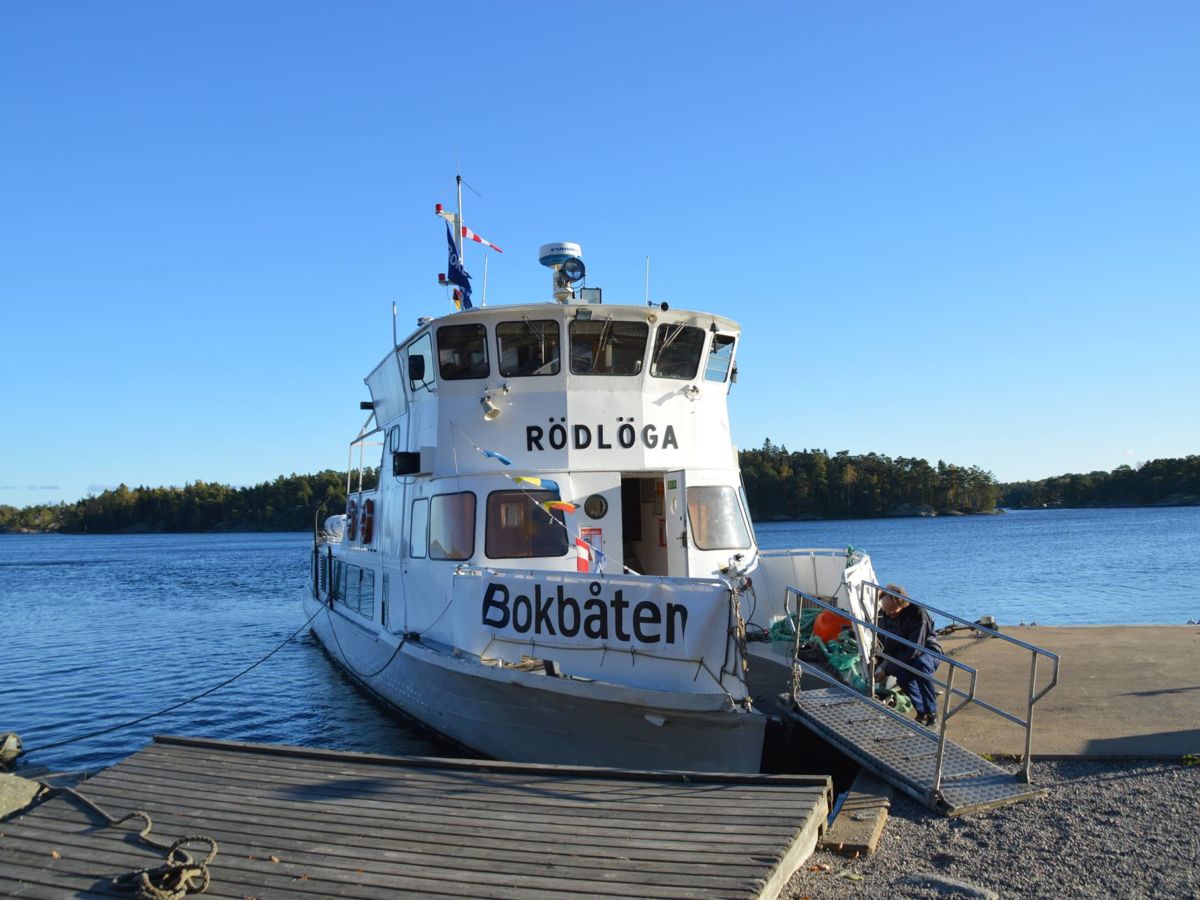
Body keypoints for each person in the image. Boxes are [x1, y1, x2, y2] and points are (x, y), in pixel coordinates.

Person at [875, 584, 942, 726]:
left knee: (920, 666)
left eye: (893, 612)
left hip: (926, 650)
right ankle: (921, 711)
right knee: (903, 676)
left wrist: (887, 670)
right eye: (886, 611)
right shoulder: (884, 614)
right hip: (903, 654)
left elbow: (915, 648)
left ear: (902, 605)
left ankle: (932, 714)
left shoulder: (918, 613)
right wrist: (879, 664)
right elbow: (884, 643)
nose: (889, 615)